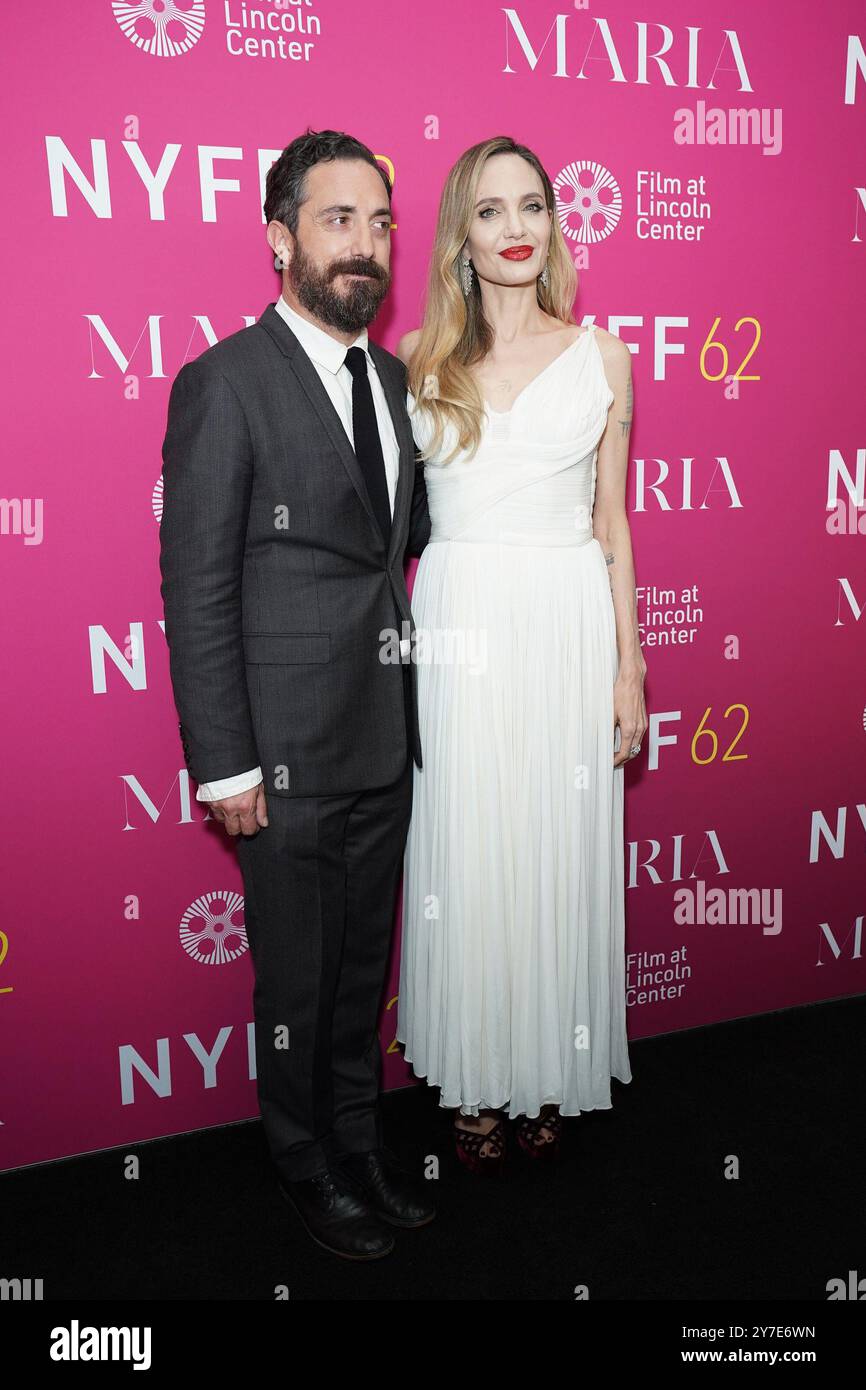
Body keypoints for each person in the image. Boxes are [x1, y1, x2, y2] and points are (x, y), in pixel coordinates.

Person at [159, 128, 434, 1259]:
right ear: (279, 239)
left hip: (383, 737)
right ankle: (301, 1157)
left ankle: (358, 1141)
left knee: (361, 969)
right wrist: (224, 763)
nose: (361, 247)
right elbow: (198, 586)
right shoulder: (224, 383)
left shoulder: (396, 379)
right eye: (335, 221)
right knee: (297, 979)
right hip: (277, 757)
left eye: (377, 223)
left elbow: (396, 544)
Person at [395, 135, 647, 1173]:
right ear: (461, 231)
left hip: (564, 618)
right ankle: (478, 1067)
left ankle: (549, 1063)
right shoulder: (416, 356)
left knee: (553, 840)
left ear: (553, 223)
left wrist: (628, 664)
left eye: (531, 206)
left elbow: (611, 521)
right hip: (458, 624)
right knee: (470, 845)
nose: (514, 229)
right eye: (490, 210)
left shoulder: (602, 356)